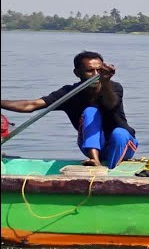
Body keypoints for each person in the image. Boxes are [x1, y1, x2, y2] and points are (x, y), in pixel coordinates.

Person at [1, 51, 138, 168]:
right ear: (77, 73)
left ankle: (110, 171)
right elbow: (31, 105)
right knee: (90, 112)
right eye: (90, 71)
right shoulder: (70, 93)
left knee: (119, 134)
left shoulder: (113, 87)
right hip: (92, 148)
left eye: (99, 70)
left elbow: (111, 104)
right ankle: (95, 161)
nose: (96, 74)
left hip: (124, 144)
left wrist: (106, 81)